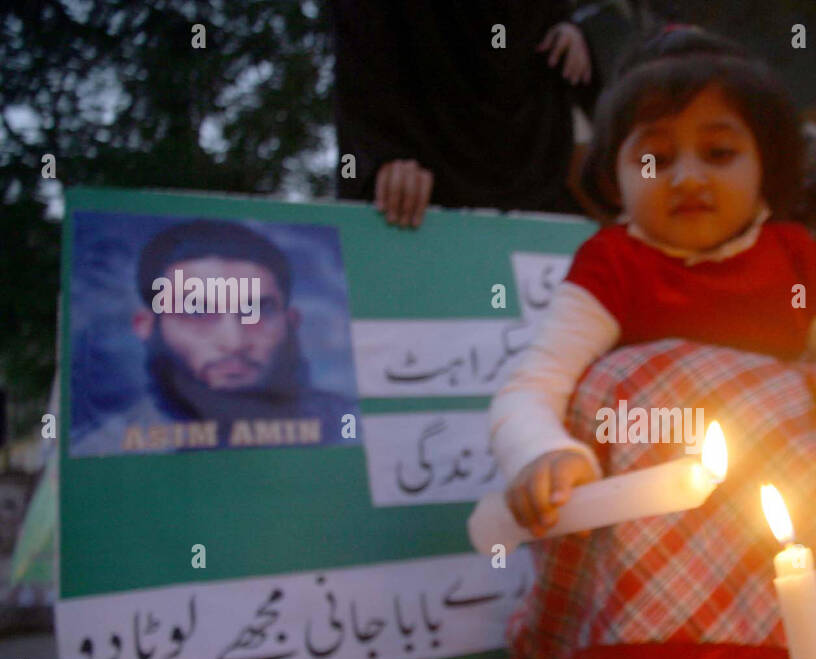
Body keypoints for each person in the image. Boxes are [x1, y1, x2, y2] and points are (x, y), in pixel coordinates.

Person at [488, 26, 816, 659]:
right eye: (654, 158)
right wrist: (544, 452)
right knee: (634, 382)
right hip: (660, 533)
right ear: (613, 174)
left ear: (766, 164)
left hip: (782, 512)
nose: (686, 177)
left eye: (719, 151)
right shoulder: (612, 264)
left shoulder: (799, 257)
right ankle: (663, 634)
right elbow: (530, 388)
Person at [71, 220, 354, 456]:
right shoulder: (103, 453)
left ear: (291, 322)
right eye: (197, 312)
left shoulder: (351, 431)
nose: (234, 342)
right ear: (146, 326)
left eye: (256, 311)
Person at [332, 1, 596, 227]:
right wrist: (384, 155)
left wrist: (565, 26)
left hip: (530, 184)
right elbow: (361, 60)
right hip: (416, 197)